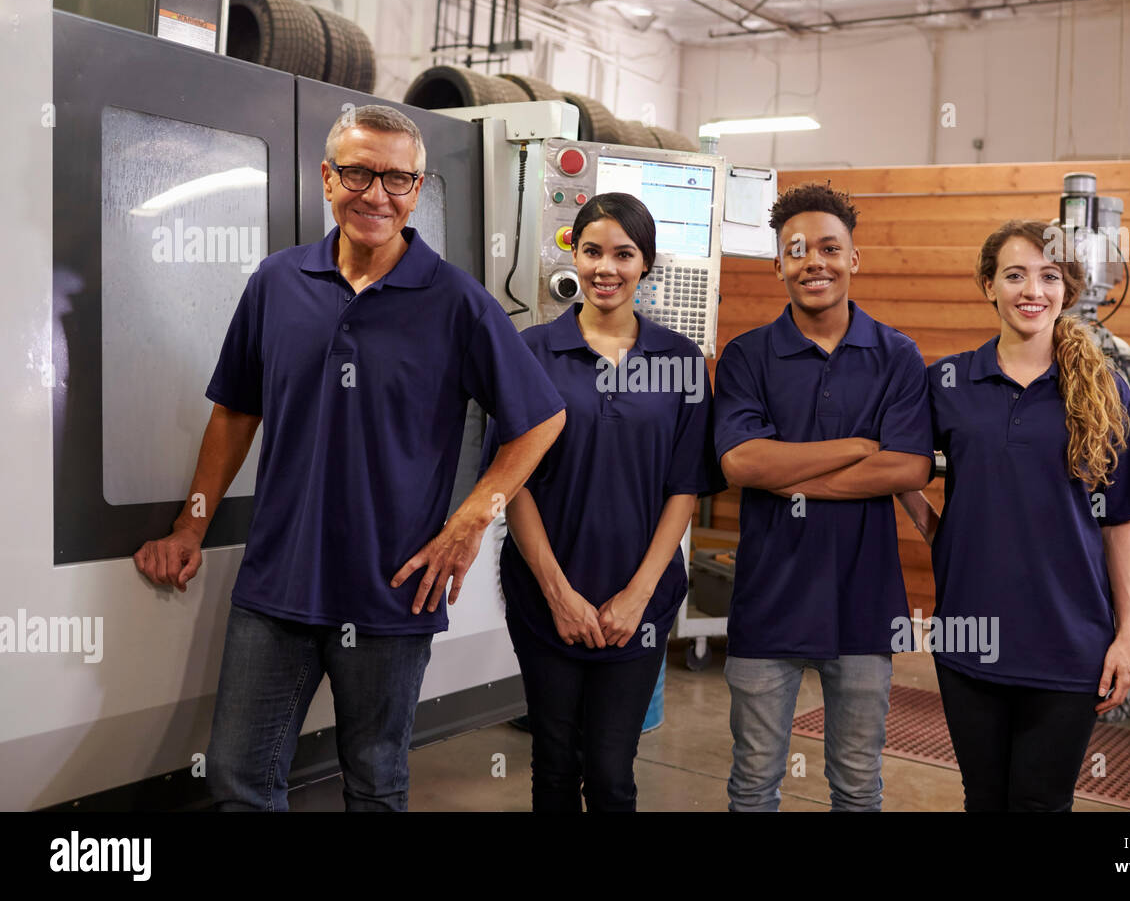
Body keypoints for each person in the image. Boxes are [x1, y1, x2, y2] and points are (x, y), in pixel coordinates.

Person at [133, 104, 566, 811]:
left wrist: (472, 520)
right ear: (329, 179)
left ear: (417, 190)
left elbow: (542, 418)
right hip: (277, 584)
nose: (378, 194)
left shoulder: (455, 300)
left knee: (374, 784)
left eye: (398, 179)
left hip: (392, 591)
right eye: (360, 173)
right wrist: (191, 526)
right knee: (239, 780)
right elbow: (236, 410)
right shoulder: (277, 283)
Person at [899, 219, 1130, 812]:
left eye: (1048, 276)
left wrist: (1126, 634)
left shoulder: (1106, 389)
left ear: (1066, 289)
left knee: (1041, 802)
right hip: (970, 638)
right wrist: (936, 527)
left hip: (1070, 645)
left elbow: (1121, 522)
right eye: (1014, 275)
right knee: (983, 799)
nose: (1031, 290)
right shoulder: (946, 381)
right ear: (988, 285)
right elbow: (900, 467)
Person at [482, 192, 725, 811]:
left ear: (645, 264)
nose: (605, 268)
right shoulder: (531, 352)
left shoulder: (679, 361)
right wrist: (558, 593)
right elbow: (515, 482)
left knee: (613, 772)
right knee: (555, 763)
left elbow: (684, 486)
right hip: (545, 593)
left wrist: (639, 594)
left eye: (624, 253)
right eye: (592, 251)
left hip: (639, 598)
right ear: (574, 255)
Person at [712, 182, 933, 811]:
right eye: (797, 250)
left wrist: (788, 473)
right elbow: (741, 462)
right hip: (768, 599)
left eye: (830, 248)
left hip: (864, 603)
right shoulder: (746, 356)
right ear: (779, 263)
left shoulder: (897, 356)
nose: (815, 262)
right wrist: (863, 446)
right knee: (753, 784)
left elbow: (911, 468)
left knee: (858, 786)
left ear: (853, 259)